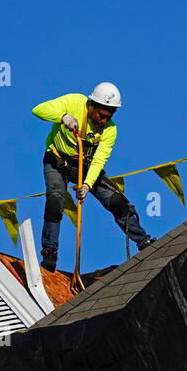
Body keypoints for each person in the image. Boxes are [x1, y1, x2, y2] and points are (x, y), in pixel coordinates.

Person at [32, 82, 154, 271]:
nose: (104, 121)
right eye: (101, 115)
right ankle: (50, 251)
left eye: (109, 117)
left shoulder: (110, 131)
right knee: (55, 200)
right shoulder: (73, 102)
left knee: (117, 202)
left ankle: (144, 241)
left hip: (85, 167)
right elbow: (38, 110)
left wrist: (88, 185)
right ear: (91, 105)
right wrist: (62, 116)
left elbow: (99, 160)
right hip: (56, 161)